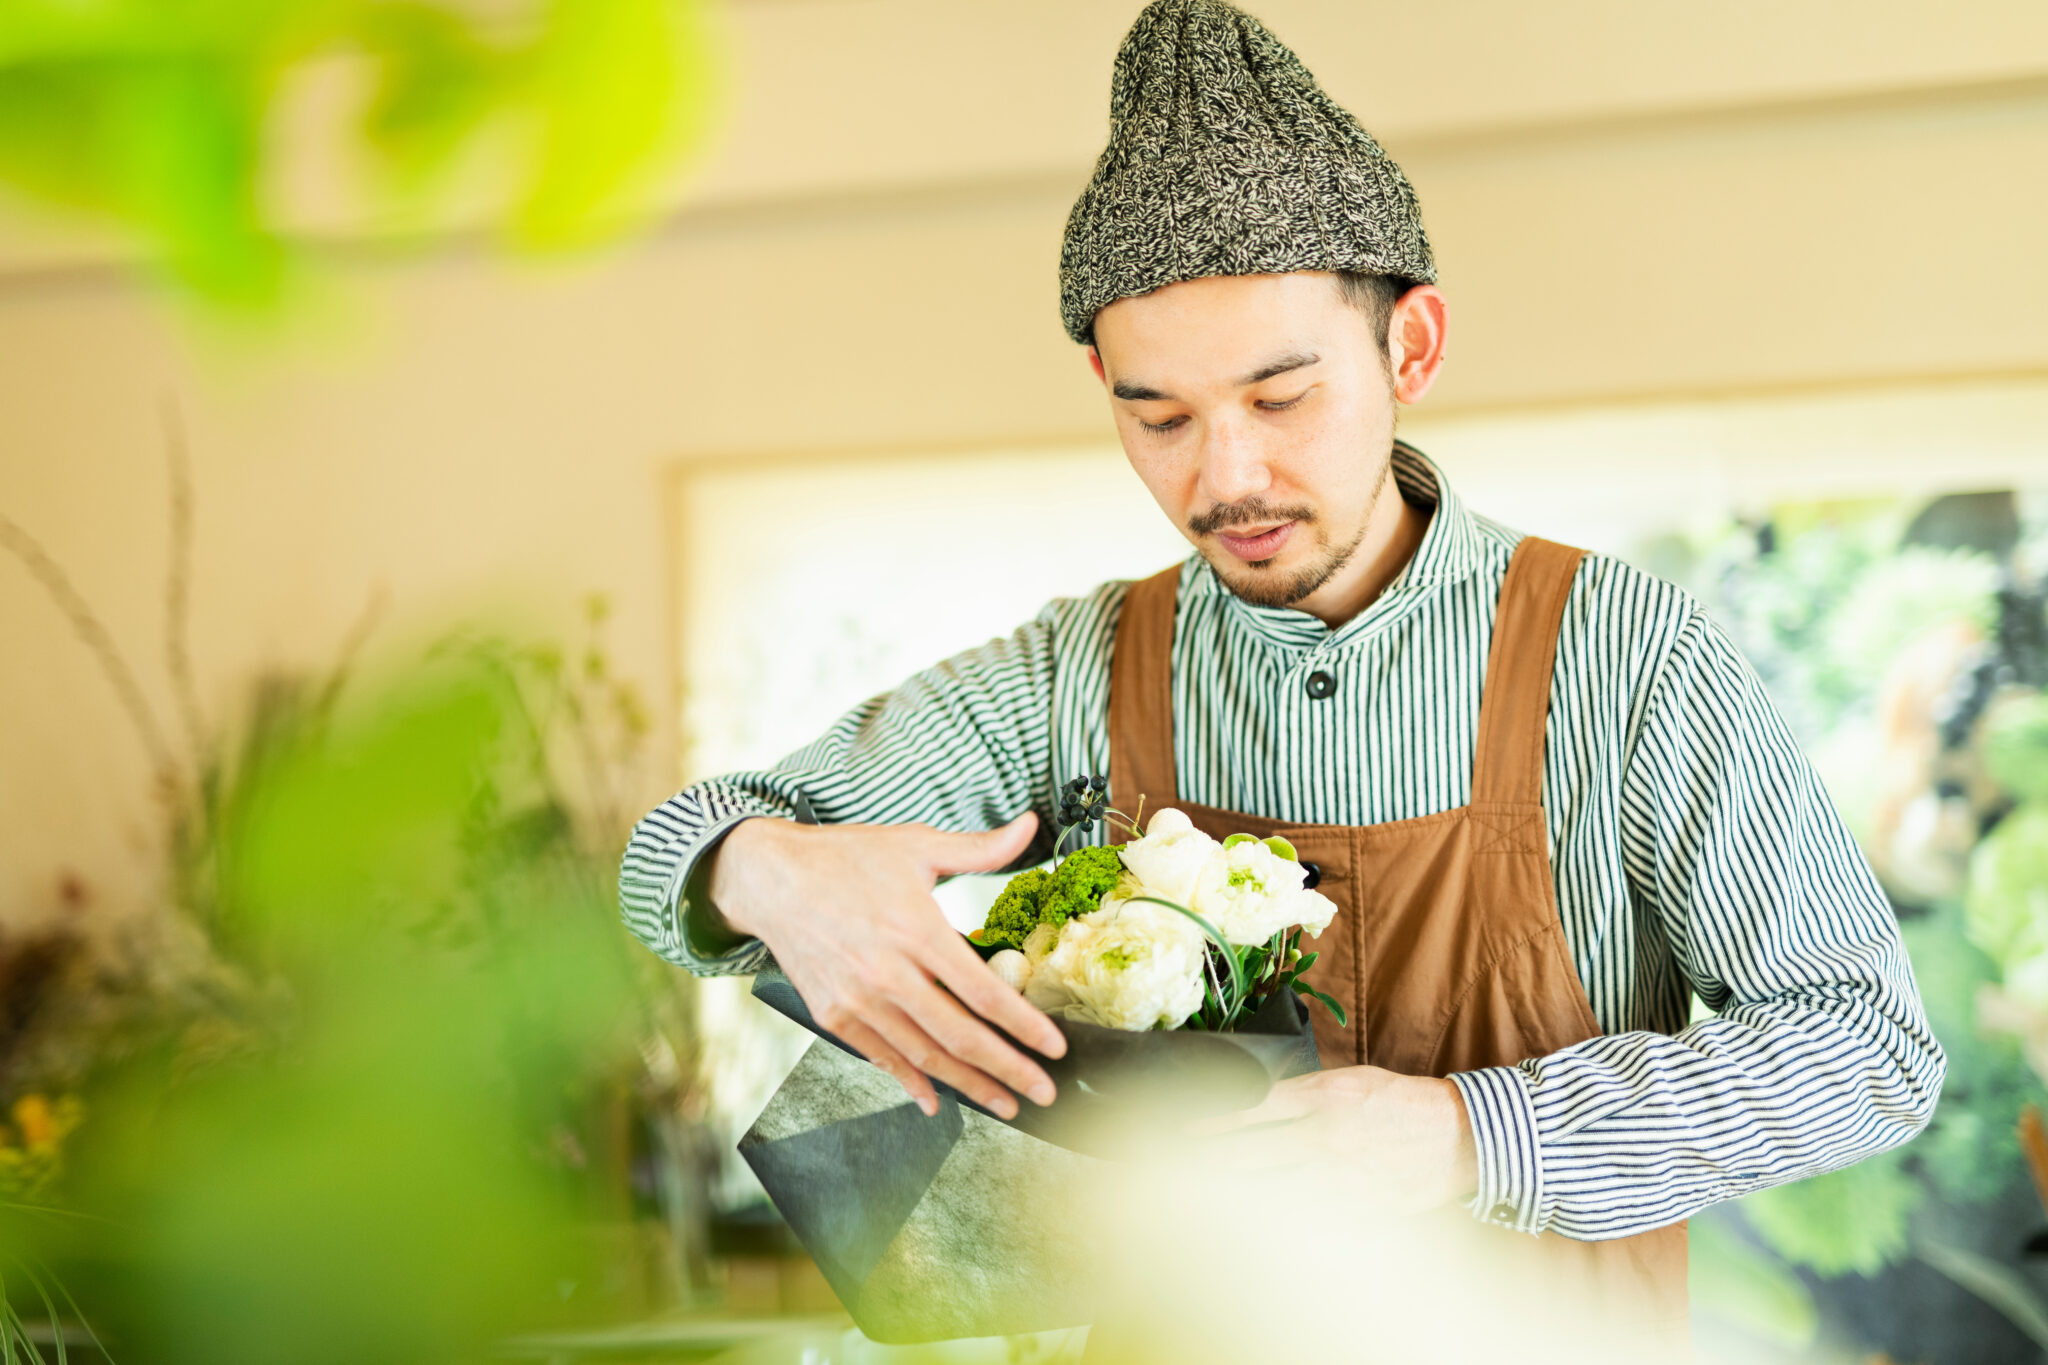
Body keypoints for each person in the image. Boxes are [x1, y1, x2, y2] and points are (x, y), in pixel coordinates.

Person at [621, 0, 1942, 1340]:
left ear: (1411, 346)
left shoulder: (1627, 655)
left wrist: (1469, 1135)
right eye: (1159, 415)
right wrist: (763, 871)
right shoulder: (1075, 673)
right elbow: (666, 856)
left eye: (1280, 396)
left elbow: (1863, 1045)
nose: (1226, 477)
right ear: (1104, 381)